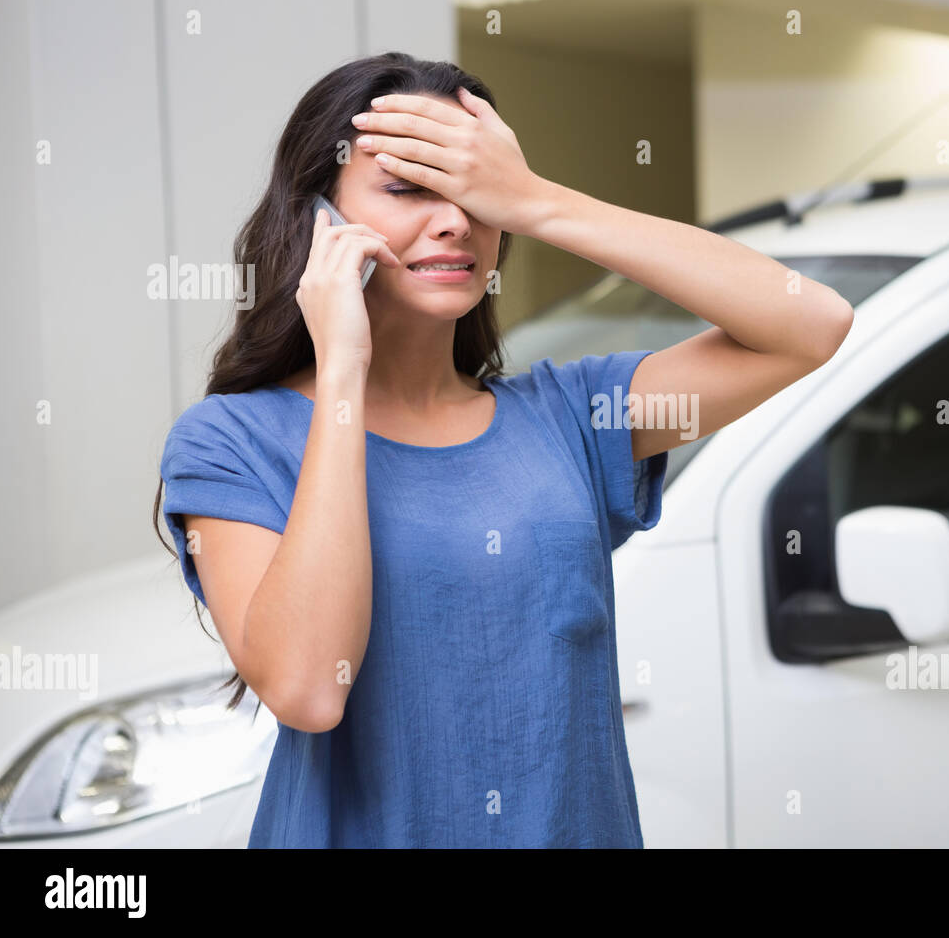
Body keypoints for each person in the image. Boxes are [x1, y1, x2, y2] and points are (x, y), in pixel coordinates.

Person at [151, 52, 853, 848]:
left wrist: (537, 200)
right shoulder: (230, 443)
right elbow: (311, 691)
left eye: (472, 192)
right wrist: (342, 368)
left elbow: (811, 325)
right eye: (409, 186)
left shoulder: (569, 418)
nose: (454, 220)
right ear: (319, 222)